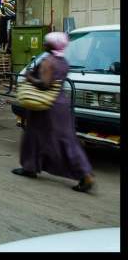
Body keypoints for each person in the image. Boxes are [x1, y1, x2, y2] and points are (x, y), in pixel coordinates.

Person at [13, 32, 95, 193]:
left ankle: (84, 174)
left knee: (45, 137)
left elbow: (44, 84)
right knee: (58, 138)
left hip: (45, 107)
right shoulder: (63, 61)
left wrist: (30, 77)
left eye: (47, 42)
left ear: (51, 46)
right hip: (60, 105)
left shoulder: (48, 62)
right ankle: (30, 166)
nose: (44, 44)